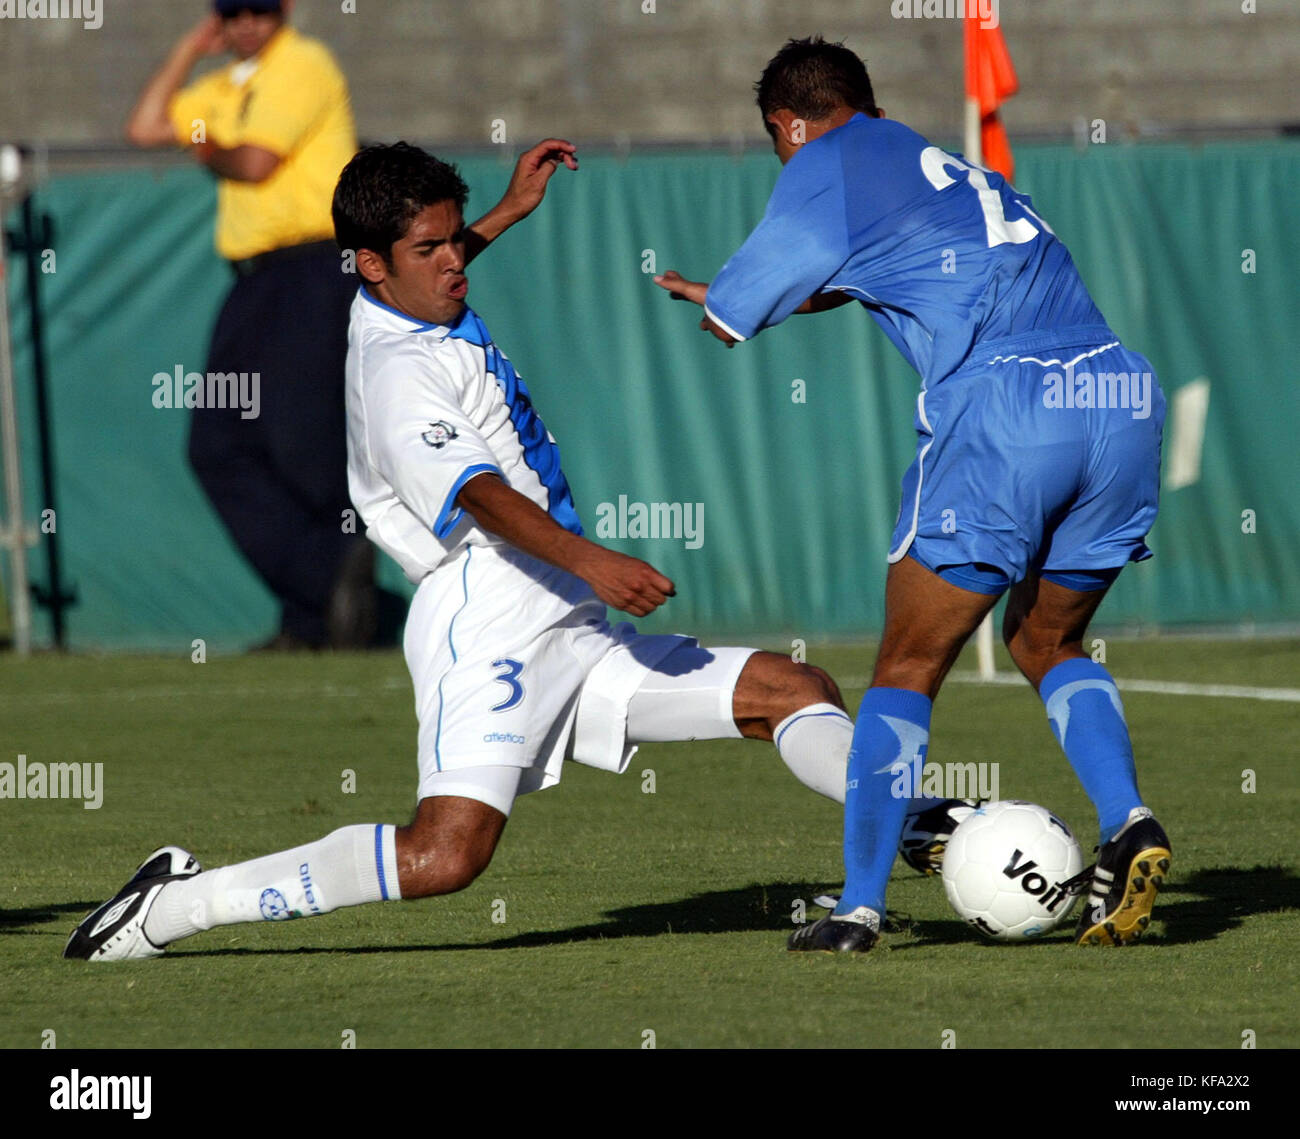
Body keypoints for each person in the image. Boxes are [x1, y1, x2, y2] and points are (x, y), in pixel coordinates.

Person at [64, 140, 859, 962]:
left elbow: (430, 260)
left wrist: (504, 213)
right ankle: (173, 907)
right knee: (443, 857)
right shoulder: (398, 374)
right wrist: (594, 561)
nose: (455, 263)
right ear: (371, 264)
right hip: (487, 617)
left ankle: (917, 838)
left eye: (454, 239)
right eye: (432, 248)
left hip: (565, 619)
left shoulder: (402, 293)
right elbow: (480, 496)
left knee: (793, 688)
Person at [654, 37, 1171, 952]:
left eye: (781, 142)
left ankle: (856, 907)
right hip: (1116, 397)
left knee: (905, 670)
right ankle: (1129, 818)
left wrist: (718, 296)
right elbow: (868, 268)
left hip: (1008, 414)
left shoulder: (824, 161)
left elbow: (728, 316)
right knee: (1046, 636)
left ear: (789, 123)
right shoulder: (934, 160)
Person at [125, 0, 379, 649]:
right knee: (217, 445)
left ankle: (321, 613)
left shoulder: (303, 62)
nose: (247, 22)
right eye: (231, 10)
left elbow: (254, 163)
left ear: (284, 11)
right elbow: (145, 125)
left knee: (303, 442)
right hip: (254, 280)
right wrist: (189, 48)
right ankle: (327, 596)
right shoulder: (219, 85)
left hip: (317, 268)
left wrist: (204, 141)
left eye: (260, 8)